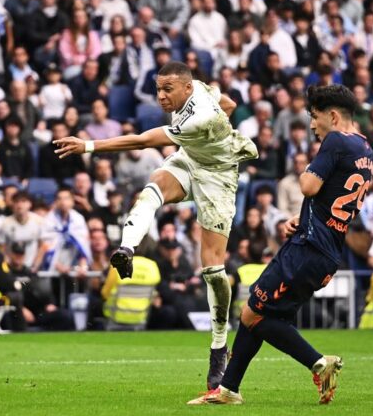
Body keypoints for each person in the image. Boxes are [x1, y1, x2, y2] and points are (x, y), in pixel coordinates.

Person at [54, 61, 257, 390]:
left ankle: (219, 347)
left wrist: (88, 145)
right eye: (158, 89)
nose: (161, 97)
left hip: (218, 177)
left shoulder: (198, 118)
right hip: (190, 159)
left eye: (168, 90)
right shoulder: (202, 88)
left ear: (186, 88)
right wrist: (220, 131)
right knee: (152, 188)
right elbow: (229, 104)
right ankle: (127, 247)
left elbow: (143, 140)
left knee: (213, 269)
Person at [188, 84, 372, 405]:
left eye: (315, 118)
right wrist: (302, 221)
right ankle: (229, 389)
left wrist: (305, 167)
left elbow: (309, 185)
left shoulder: (335, 142)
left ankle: (318, 363)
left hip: (307, 250)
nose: (312, 126)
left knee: (252, 314)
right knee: (260, 315)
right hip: (323, 249)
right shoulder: (364, 148)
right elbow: (337, 200)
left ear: (332, 116)